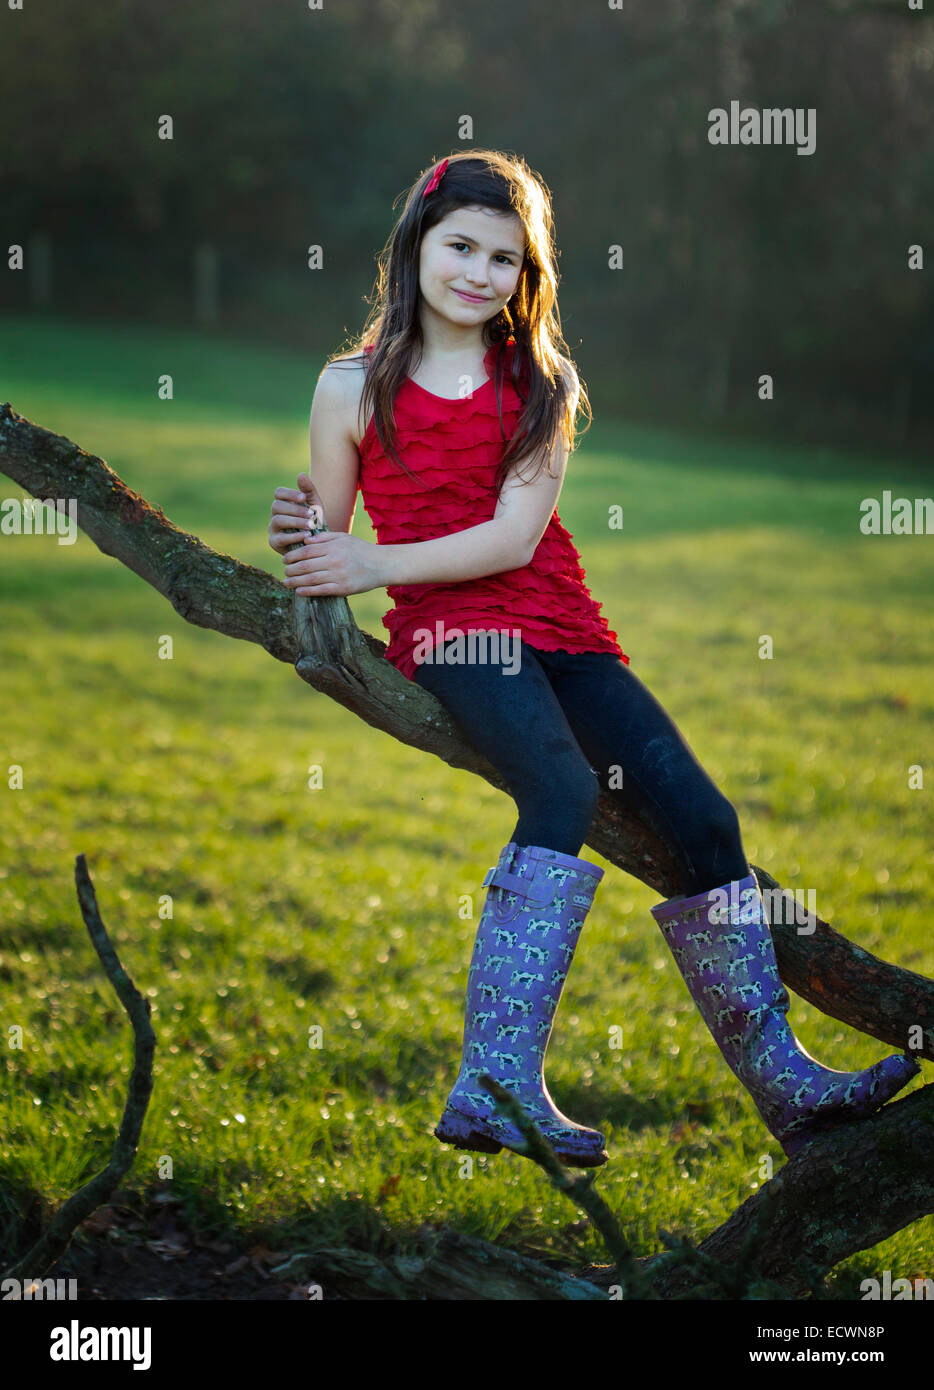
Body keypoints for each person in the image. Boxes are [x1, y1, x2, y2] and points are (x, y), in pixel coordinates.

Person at [268, 149, 917, 1168]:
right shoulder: (348, 385)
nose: (478, 272)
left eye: (504, 258)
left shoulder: (540, 382)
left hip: (562, 626)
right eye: (461, 247)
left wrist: (361, 556)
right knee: (561, 791)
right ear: (417, 246)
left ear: (527, 276)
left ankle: (788, 1089)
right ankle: (492, 1085)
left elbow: (514, 539)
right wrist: (301, 530)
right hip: (453, 630)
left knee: (706, 817)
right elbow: (328, 542)